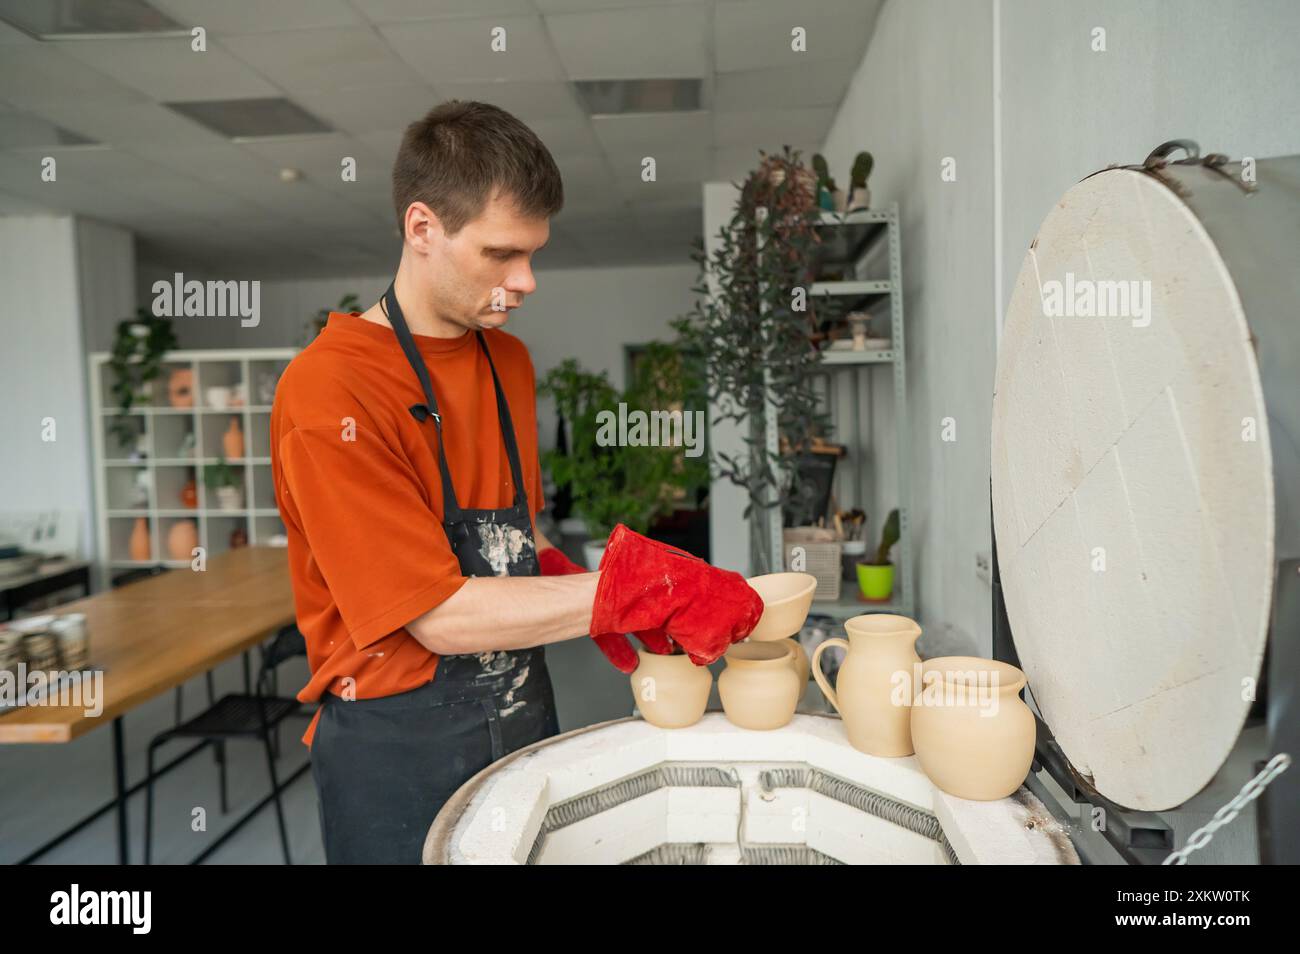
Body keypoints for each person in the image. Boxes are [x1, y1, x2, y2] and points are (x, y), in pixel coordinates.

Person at [269, 100, 763, 864]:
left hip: (523, 714)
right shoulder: (330, 391)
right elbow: (434, 615)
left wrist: (568, 576)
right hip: (398, 750)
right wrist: (636, 587)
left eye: (534, 252)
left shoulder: (509, 362)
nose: (526, 279)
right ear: (422, 228)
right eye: (502, 253)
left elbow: (512, 537)